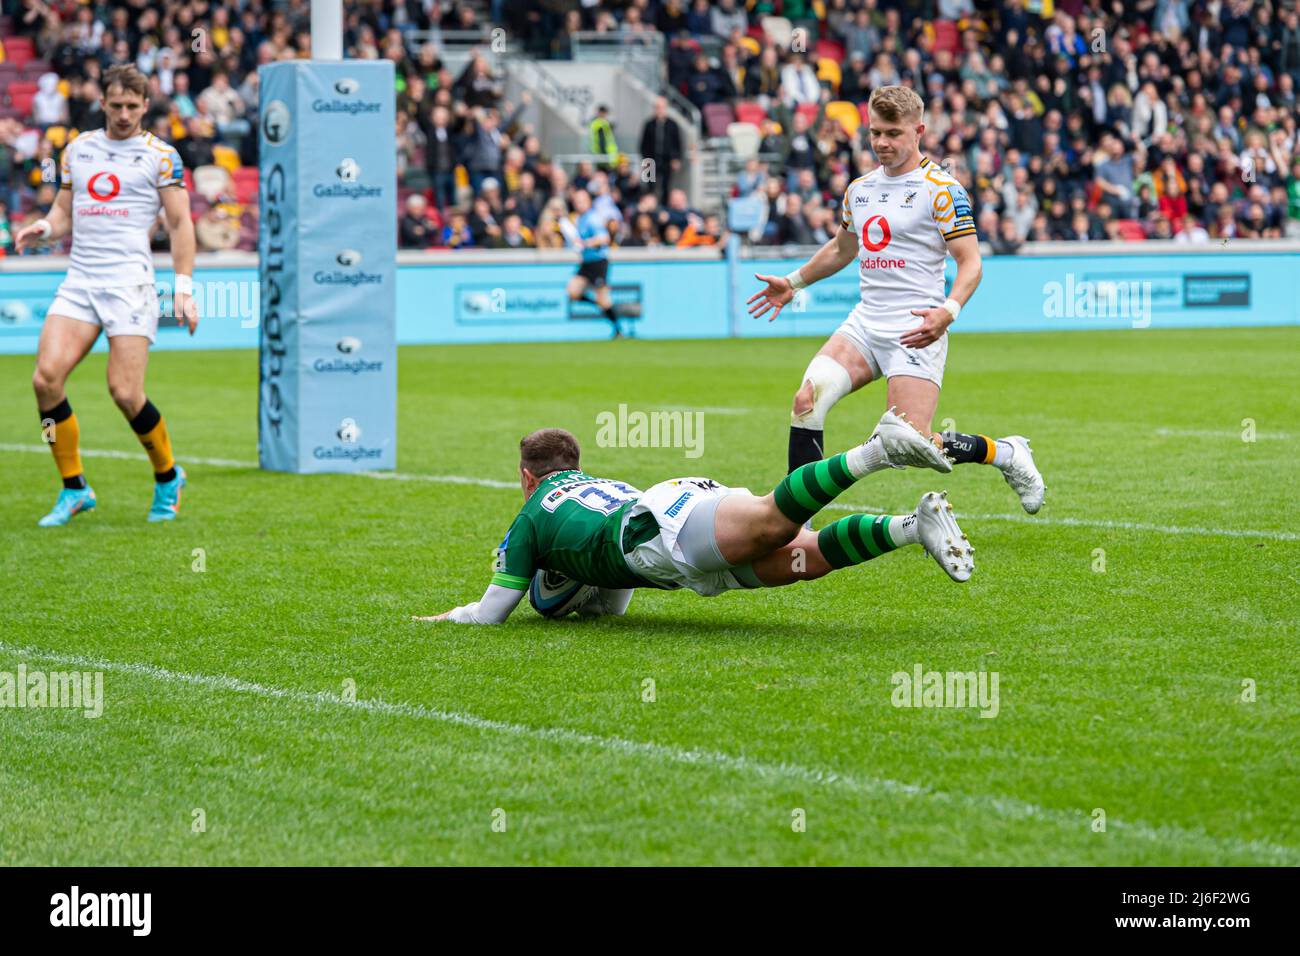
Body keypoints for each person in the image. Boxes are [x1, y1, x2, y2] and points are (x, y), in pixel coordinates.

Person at [747, 86, 1045, 516]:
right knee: (806, 400)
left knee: (908, 444)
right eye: (875, 133)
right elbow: (840, 249)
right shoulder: (859, 190)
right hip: (866, 324)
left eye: (893, 133)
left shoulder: (942, 190)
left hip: (917, 328)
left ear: (919, 131)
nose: (882, 143)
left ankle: (1006, 454)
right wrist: (793, 282)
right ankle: (795, 523)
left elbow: (972, 263)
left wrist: (948, 312)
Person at [416, 412, 974, 624]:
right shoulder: (593, 484)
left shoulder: (531, 517)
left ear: (526, 477)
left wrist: (449, 617)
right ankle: (912, 527)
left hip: (661, 530)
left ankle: (877, 449)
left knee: (774, 521)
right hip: (663, 541)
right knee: (805, 558)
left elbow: (493, 614)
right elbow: (613, 599)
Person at [13, 65, 198, 527]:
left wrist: (184, 286)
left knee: (125, 392)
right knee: (45, 380)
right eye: (115, 105)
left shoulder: (161, 156)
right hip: (81, 280)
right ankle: (74, 488)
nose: (123, 114)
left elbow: (179, 224)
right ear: (104, 103)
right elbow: (62, 209)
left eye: (132, 107)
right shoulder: (80, 148)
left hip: (129, 284)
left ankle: (168, 475)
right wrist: (45, 228)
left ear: (144, 106)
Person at [566, 188, 624, 337]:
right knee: (572, 292)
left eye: (581, 201)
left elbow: (604, 238)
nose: (578, 204)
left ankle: (618, 329)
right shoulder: (580, 219)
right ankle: (599, 306)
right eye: (576, 202)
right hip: (586, 263)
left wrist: (586, 243)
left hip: (598, 262)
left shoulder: (593, 218)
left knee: (603, 300)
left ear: (588, 202)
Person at [638, 96, 683, 203]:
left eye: (662, 107)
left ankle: (664, 208)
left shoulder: (672, 124)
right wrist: (645, 159)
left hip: (667, 160)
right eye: (657, 107)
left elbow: (678, 143)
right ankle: (649, 207)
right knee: (649, 186)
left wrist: (676, 158)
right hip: (651, 160)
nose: (660, 110)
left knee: (666, 187)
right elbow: (643, 144)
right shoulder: (649, 124)